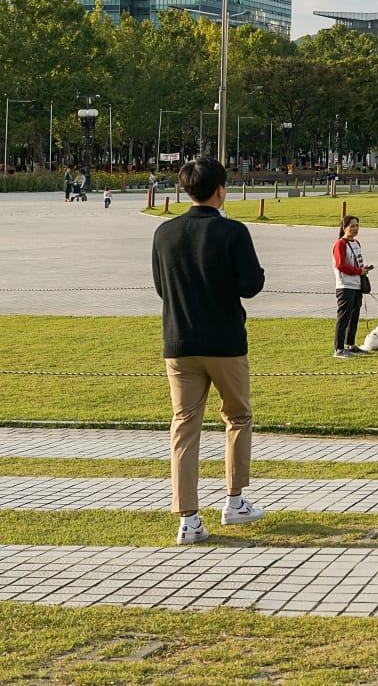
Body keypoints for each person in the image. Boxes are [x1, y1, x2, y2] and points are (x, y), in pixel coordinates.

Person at [149, 156, 266, 545]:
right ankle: (234, 500)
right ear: (220, 190)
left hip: (179, 342)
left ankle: (188, 519)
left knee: (184, 426)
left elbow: (162, 288)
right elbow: (251, 285)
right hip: (225, 342)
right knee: (238, 417)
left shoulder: (164, 233)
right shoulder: (233, 231)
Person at [332, 217, 371, 358]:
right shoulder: (340, 244)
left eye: (357, 225)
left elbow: (356, 263)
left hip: (356, 285)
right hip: (345, 286)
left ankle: (350, 344)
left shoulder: (356, 243)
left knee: (354, 317)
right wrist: (358, 271)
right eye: (352, 226)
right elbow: (341, 265)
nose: (355, 228)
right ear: (344, 227)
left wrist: (363, 269)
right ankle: (338, 348)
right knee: (343, 318)